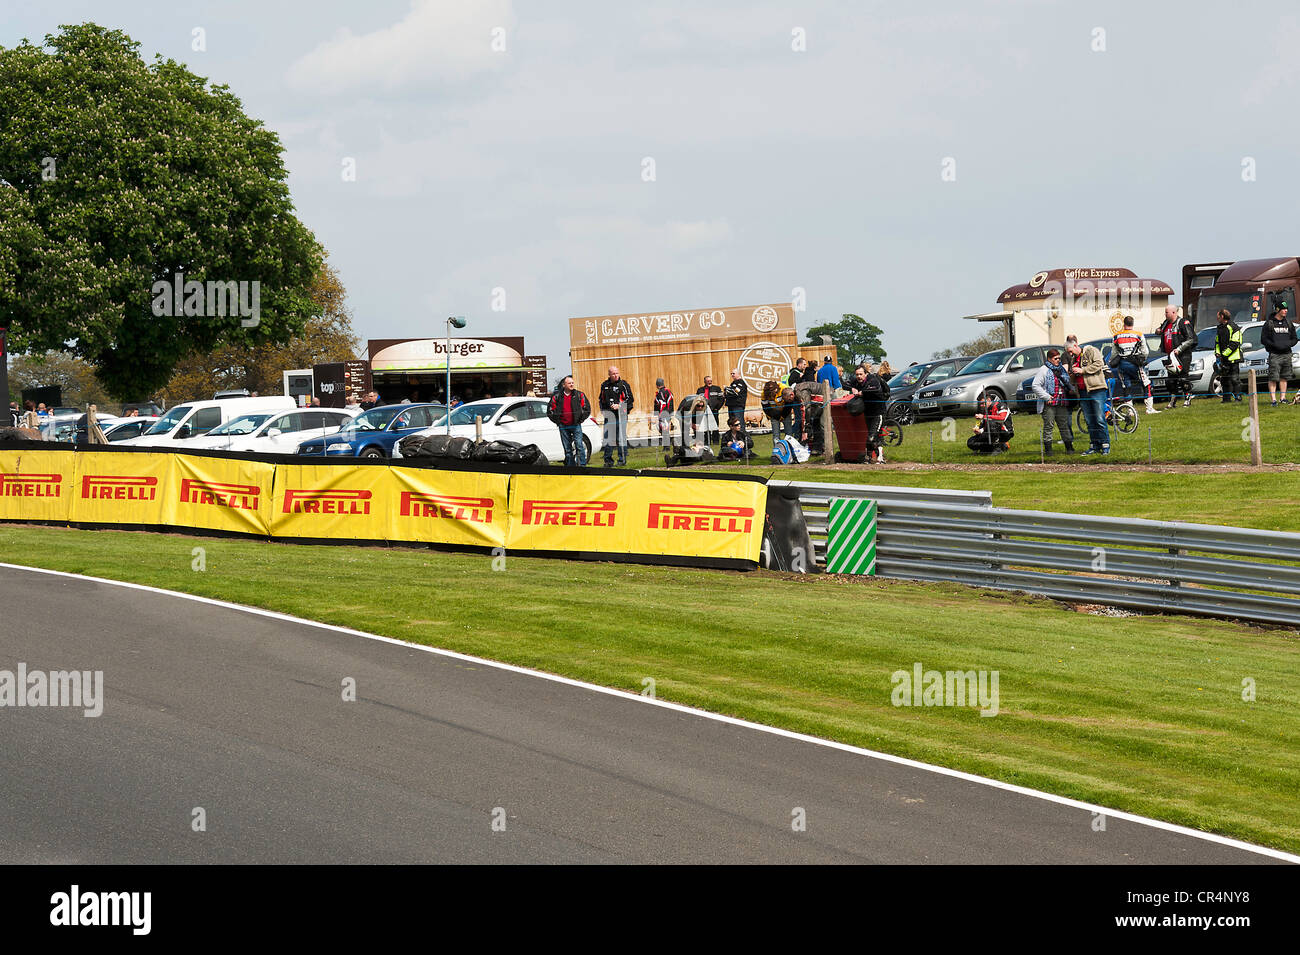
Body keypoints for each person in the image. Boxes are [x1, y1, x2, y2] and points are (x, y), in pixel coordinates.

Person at [1067, 335, 1110, 455]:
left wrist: (1082, 370)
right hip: (1082, 392)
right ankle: (1094, 445)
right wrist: (1072, 374)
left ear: (1075, 345)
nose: (1070, 354)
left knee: (1099, 418)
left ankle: (1105, 445)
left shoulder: (1091, 351)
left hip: (1096, 389)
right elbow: (1074, 377)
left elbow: (1098, 364)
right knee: (1089, 420)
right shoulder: (1073, 359)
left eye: (1070, 351)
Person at [1029, 348, 1074, 454]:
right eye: (1055, 358)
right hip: (1049, 403)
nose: (1058, 360)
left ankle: (1069, 448)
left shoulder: (1062, 369)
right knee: (1049, 425)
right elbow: (1035, 385)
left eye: (1059, 358)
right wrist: (1046, 397)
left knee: (1064, 425)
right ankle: (1048, 450)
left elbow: (1066, 382)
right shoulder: (1043, 370)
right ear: (1049, 359)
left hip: (1062, 401)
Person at [1157, 305, 1197, 409]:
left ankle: (1187, 399)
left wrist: (1179, 349)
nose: (1165, 314)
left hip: (1183, 355)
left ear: (1174, 313)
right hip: (1170, 356)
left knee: (1183, 378)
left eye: (1167, 312)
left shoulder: (1183, 323)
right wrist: (1158, 331)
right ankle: (1173, 400)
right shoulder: (1166, 323)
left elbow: (1191, 339)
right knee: (1171, 380)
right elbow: (1160, 331)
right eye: (1165, 312)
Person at [546, 375, 592, 466]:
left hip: (576, 425)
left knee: (579, 446)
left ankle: (582, 466)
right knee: (567, 449)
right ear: (564, 385)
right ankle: (570, 467)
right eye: (569, 383)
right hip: (563, 426)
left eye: (572, 383)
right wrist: (558, 421)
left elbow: (586, 408)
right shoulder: (557, 396)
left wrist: (580, 419)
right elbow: (550, 411)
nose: (571, 384)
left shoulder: (579, 395)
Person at [1261, 303, 1298, 406]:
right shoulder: (1269, 323)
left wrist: (1288, 344)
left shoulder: (1289, 323)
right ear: (1278, 310)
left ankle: (1283, 398)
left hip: (1287, 354)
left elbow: (1294, 338)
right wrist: (1274, 345)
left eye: (1286, 309)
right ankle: (1273, 400)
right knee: (1273, 377)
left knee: (1284, 377)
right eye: (1283, 309)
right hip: (1274, 355)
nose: (1286, 311)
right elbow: (1263, 339)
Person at [598, 365, 634, 467]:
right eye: (613, 374)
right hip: (609, 416)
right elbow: (601, 399)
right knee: (608, 438)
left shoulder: (624, 385)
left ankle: (622, 459)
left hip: (621, 415)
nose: (615, 375)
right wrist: (603, 411)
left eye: (617, 373)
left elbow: (630, 399)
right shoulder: (604, 385)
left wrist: (620, 405)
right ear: (609, 374)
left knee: (620, 438)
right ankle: (608, 461)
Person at [1110, 315, 1147, 409]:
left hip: (1122, 365)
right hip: (1135, 364)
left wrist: (1113, 361)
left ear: (1124, 324)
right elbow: (1145, 352)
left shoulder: (1116, 336)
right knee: (1146, 383)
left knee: (1126, 386)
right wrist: (1142, 359)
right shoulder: (1139, 334)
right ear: (1133, 323)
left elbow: (1114, 353)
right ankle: (1149, 408)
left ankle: (1130, 410)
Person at [1214, 307, 1244, 403]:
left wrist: (1223, 355)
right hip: (1223, 359)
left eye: (1218, 316)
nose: (1217, 318)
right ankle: (1226, 399)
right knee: (1224, 380)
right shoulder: (1219, 328)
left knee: (1235, 379)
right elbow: (1217, 342)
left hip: (1234, 358)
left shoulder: (1234, 327)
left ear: (1222, 316)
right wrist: (1217, 353)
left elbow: (1234, 343)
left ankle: (1238, 398)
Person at [695, 375, 723, 444]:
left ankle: (716, 441)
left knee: (715, 425)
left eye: (710, 381)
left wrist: (717, 407)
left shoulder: (717, 388)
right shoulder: (700, 390)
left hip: (714, 410)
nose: (709, 382)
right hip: (704, 411)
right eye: (708, 381)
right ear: (705, 382)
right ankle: (707, 441)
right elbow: (697, 399)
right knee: (706, 426)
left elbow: (721, 399)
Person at [722, 369, 748, 437]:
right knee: (732, 424)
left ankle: (743, 440)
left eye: (733, 373)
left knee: (739, 424)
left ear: (738, 374)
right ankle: (734, 439)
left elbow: (735, 392)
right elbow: (729, 393)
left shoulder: (741, 383)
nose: (732, 375)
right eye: (731, 374)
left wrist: (726, 388)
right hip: (731, 406)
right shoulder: (733, 383)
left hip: (737, 406)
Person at [652, 378, 674, 446]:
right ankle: (667, 445)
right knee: (665, 430)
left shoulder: (660, 393)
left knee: (664, 430)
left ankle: (666, 446)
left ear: (657, 385)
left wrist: (658, 415)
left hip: (663, 414)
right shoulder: (668, 391)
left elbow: (662, 404)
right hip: (669, 413)